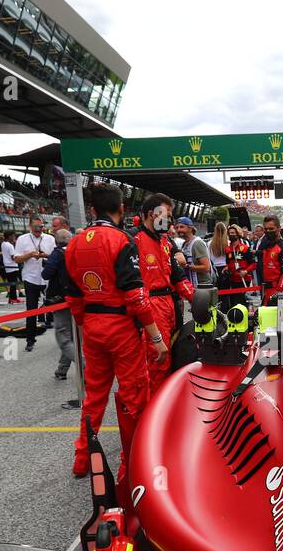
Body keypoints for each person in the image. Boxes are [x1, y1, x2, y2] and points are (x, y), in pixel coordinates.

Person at [66, 184, 168, 481]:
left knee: (94, 396)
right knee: (134, 395)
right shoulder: (121, 240)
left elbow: (72, 297)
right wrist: (157, 338)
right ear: (121, 209)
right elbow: (136, 296)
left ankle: (82, 459)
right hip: (121, 328)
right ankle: (134, 462)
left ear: (92, 210)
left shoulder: (73, 243)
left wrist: (87, 326)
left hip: (92, 327)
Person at [136, 194, 196, 387]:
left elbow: (178, 276)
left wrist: (198, 299)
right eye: (166, 215)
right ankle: (156, 409)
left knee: (174, 352)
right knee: (158, 359)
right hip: (150, 305)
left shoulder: (165, 242)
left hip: (170, 304)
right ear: (151, 214)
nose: (169, 220)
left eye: (171, 216)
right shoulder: (134, 240)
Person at [14, 215, 56, 352]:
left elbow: (57, 255)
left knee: (55, 307)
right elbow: (17, 259)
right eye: (36, 227)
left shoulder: (50, 238)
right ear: (30, 226)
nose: (39, 229)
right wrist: (30, 255)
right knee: (31, 309)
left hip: (47, 277)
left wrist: (44, 255)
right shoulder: (22, 239)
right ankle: (30, 340)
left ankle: (62, 339)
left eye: (41, 226)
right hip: (31, 277)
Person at [42, 228, 76, 381]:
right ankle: (62, 369)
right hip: (78, 298)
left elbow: (46, 274)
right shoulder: (77, 251)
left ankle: (86, 366)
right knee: (72, 337)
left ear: (56, 241)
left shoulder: (57, 254)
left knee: (63, 338)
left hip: (60, 299)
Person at [257, 214, 283, 302]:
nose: (268, 231)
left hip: (281, 293)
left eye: (271, 229)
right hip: (267, 291)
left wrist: (278, 292)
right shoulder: (266, 246)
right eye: (266, 229)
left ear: (278, 229)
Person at [176, 216, 213, 292]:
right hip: (192, 284)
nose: (178, 230)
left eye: (182, 227)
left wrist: (187, 266)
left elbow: (206, 268)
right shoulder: (185, 244)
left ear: (190, 228)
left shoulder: (197, 243)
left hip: (202, 286)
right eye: (177, 227)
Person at [223, 224, 256, 289]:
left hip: (244, 279)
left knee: (240, 298)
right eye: (229, 233)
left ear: (238, 234)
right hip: (232, 279)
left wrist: (245, 271)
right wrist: (226, 268)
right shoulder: (227, 249)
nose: (230, 234)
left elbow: (253, 264)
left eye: (233, 233)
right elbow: (227, 263)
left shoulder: (245, 248)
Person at [0, 231, 21, 302]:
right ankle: (13, 298)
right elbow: (13, 257)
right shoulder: (10, 245)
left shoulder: (3, 244)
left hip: (7, 265)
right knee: (13, 283)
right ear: (9, 237)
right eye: (13, 236)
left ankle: (12, 298)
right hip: (12, 266)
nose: (14, 237)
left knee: (11, 282)